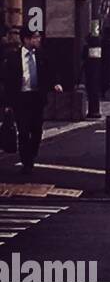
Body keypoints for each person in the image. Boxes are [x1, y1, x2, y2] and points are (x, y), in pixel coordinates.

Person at [2, 26, 64, 173]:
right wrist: (7, 104)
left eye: (38, 37)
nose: (38, 40)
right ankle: (26, 161)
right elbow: (7, 82)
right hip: (21, 97)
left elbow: (50, 72)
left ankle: (32, 152)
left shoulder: (42, 55)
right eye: (35, 37)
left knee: (36, 130)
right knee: (23, 131)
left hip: (36, 97)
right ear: (26, 39)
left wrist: (55, 83)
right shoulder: (13, 57)